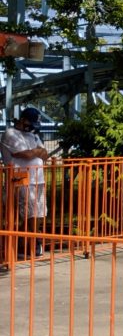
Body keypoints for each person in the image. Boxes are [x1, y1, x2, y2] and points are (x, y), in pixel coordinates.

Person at [1, 107, 50, 258]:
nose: (31, 127)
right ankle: (27, 245)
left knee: (40, 213)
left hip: (38, 179)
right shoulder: (10, 134)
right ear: (22, 120)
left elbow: (45, 154)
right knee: (29, 213)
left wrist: (35, 152)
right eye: (30, 123)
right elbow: (23, 153)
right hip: (21, 178)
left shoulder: (32, 135)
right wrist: (36, 151)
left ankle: (29, 242)